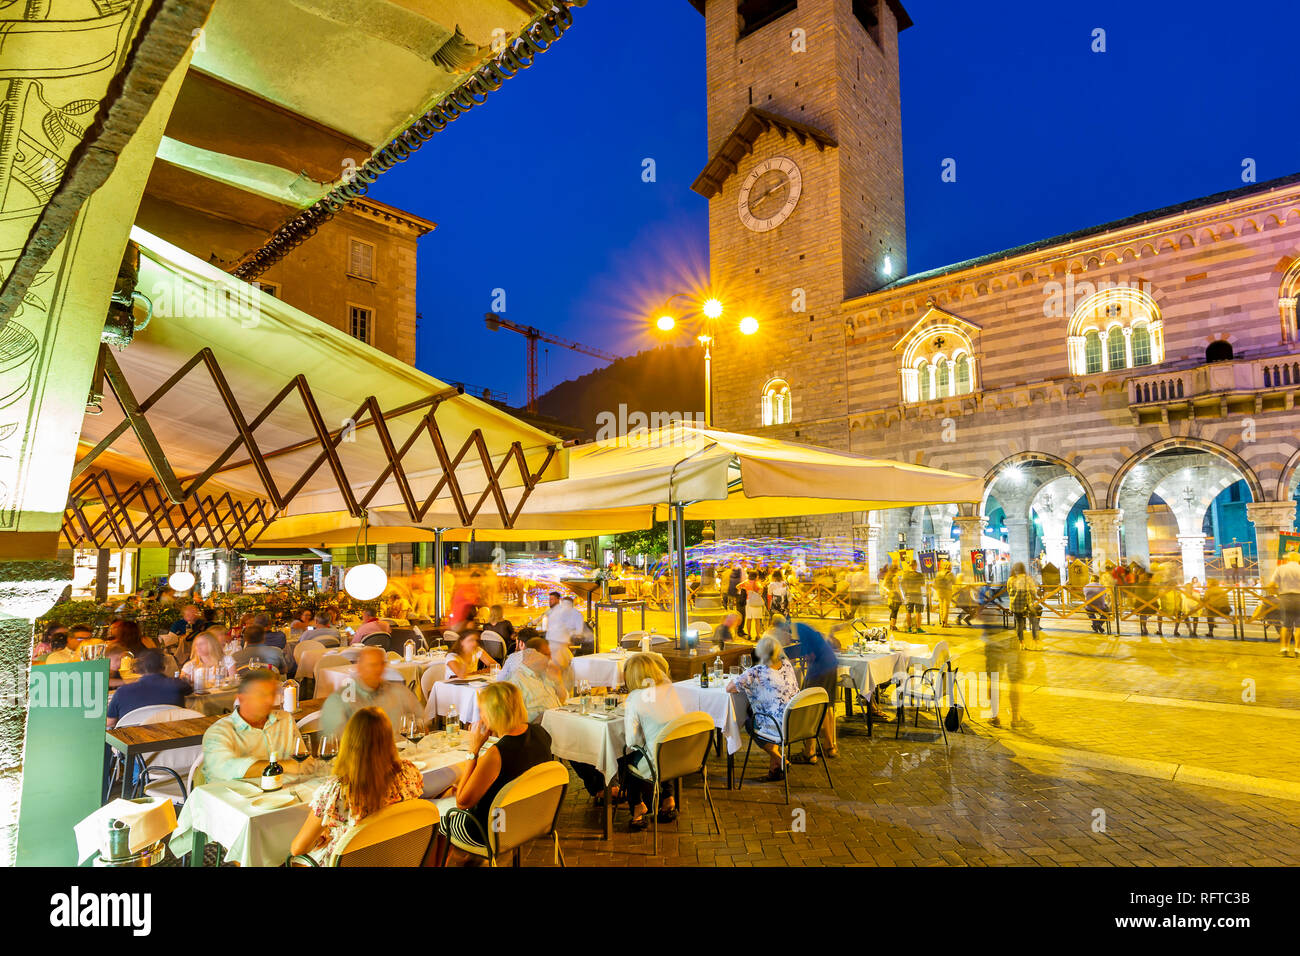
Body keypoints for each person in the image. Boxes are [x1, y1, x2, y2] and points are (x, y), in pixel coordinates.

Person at [290, 706, 425, 863]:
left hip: (352, 860)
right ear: (389, 739)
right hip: (397, 857)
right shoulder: (408, 772)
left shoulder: (337, 790)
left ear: (349, 741)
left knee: (293, 860)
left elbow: (297, 849)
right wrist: (330, 828)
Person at [438, 682, 552, 865]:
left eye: (482, 710)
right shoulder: (541, 734)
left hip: (491, 830)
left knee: (435, 815)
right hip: (528, 820)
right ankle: (473, 860)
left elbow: (462, 802)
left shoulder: (497, 754)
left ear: (494, 713)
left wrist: (473, 751)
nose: (480, 715)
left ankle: (458, 859)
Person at [202, 670, 314, 782]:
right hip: (232, 796)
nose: (269, 700)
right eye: (261, 695)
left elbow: (304, 763)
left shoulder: (285, 720)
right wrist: (287, 766)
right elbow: (227, 768)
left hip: (280, 793)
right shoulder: (218, 732)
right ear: (241, 698)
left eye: (271, 694)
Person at [621, 652, 683, 831]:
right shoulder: (669, 689)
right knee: (661, 744)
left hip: (660, 759)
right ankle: (668, 799)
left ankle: (637, 807)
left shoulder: (635, 697)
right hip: (683, 755)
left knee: (627, 760)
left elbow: (632, 741)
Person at [726, 635, 800, 781]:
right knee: (768, 713)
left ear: (760, 652)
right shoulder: (786, 664)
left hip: (778, 725)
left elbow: (730, 688)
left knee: (750, 722)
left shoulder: (756, 671)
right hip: (795, 720)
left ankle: (780, 760)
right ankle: (775, 770)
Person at [320, 645, 422, 737]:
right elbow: (333, 742)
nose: (378, 669)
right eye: (372, 665)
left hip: (403, 754)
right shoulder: (339, 700)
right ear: (359, 668)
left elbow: (423, 725)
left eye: (381, 664)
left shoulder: (400, 692)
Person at [787, 623, 840, 760]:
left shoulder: (801, 632)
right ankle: (830, 746)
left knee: (811, 708)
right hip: (831, 666)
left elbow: (811, 656)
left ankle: (810, 751)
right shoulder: (810, 632)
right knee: (826, 706)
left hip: (821, 670)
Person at [106, 650, 193, 728]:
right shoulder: (177, 685)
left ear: (137, 669)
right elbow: (190, 689)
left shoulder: (122, 692)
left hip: (132, 743)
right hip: (172, 741)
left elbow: (110, 723)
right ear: (163, 666)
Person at [506, 639, 568, 722]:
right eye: (546, 655)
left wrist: (558, 681)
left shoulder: (546, 674)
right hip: (538, 729)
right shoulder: (516, 681)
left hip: (559, 721)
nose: (550, 659)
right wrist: (545, 716)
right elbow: (512, 721)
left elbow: (562, 700)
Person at [1268, 551, 1300, 657]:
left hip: (1285, 598)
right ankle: (1297, 650)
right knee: (1299, 626)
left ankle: (1284, 649)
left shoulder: (1280, 569)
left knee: (1286, 625)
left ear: (1288, 559)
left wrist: (1278, 594)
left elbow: (1271, 585)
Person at [1007, 562, 1042, 650]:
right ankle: (1035, 642)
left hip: (1015, 606)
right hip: (1027, 605)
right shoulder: (1027, 579)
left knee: (1019, 624)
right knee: (1034, 622)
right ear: (1023, 569)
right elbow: (1033, 591)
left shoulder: (1010, 579)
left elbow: (1008, 591)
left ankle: (1022, 643)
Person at [899, 561, 926, 633]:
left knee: (908, 612)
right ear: (916, 565)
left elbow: (902, 584)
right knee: (918, 612)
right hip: (917, 594)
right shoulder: (920, 575)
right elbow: (923, 584)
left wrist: (905, 591)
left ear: (909, 566)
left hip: (908, 595)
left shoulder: (905, 575)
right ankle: (918, 628)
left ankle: (909, 628)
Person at [932, 561, 956, 627]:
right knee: (946, 607)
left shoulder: (939, 573)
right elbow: (954, 582)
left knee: (941, 607)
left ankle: (942, 621)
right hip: (947, 591)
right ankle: (945, 623)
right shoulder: (950, 574)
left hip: (939, 591)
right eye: (950, 566)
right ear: (949, 566)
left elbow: (935, 582)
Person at [742, 571, 765, 637]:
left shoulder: (746, 582)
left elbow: (737, 586)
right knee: (757, 620)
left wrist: (746, 590)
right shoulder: (757, 582)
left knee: (749, 619)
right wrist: (758, 592)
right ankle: (757, 636)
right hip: (756, 601)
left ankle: (749, 635)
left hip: (748, 601)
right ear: (756, 576)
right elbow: (761, 589)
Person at [880, 566, 902, 631]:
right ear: (895, 570)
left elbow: (883, 586)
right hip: (896, 595)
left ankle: (891, 625)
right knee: (895, 611)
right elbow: (898, 589)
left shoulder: (887, 577)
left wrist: (888, 591)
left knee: (892, 611)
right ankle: (893, 626)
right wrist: (901, 597)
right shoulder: (895, 577)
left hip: (890, 596)